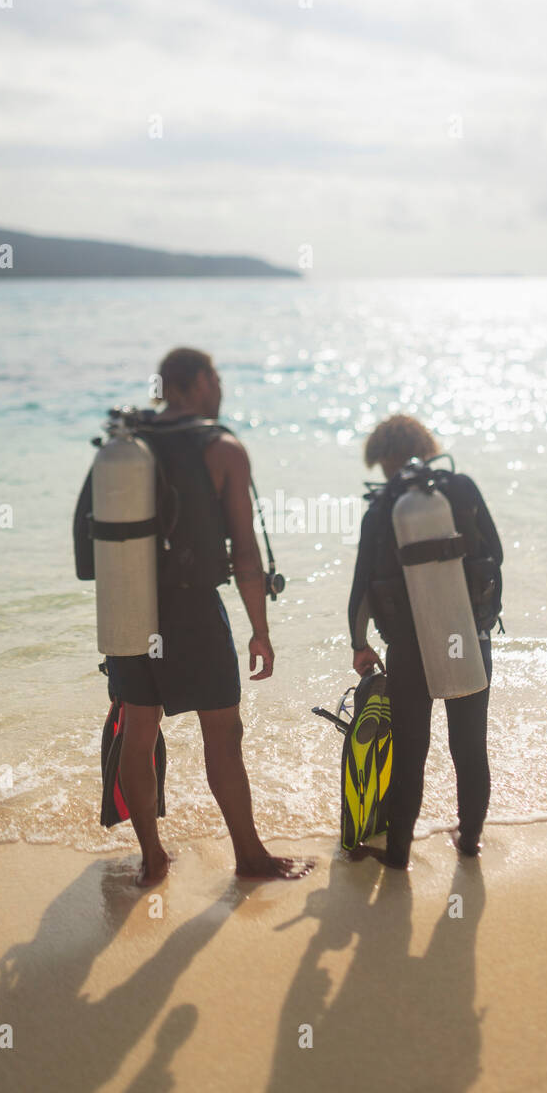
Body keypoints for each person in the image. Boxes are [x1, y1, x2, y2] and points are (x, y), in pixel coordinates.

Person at [99, 347, 312, 886]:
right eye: (215, 376)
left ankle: (153, 859)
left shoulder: (126, 443)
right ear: (195, 382)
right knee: (222, 731)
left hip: (126, 607)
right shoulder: (221, 448)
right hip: (191, 606)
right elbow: (244, 549)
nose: (220, 386)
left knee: (139, 732)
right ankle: (250, 856)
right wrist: (259, 630)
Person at [347, 415, 503, 868]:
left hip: (409, 647)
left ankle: (398, 854)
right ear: (424, 446)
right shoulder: (461, 489)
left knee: (411, 749)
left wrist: (360, 643)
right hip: (468, 637)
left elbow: (361, 590)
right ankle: (470, 840)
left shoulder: (382, 509)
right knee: (469, 744)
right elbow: (496, 553)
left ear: (385, 460)